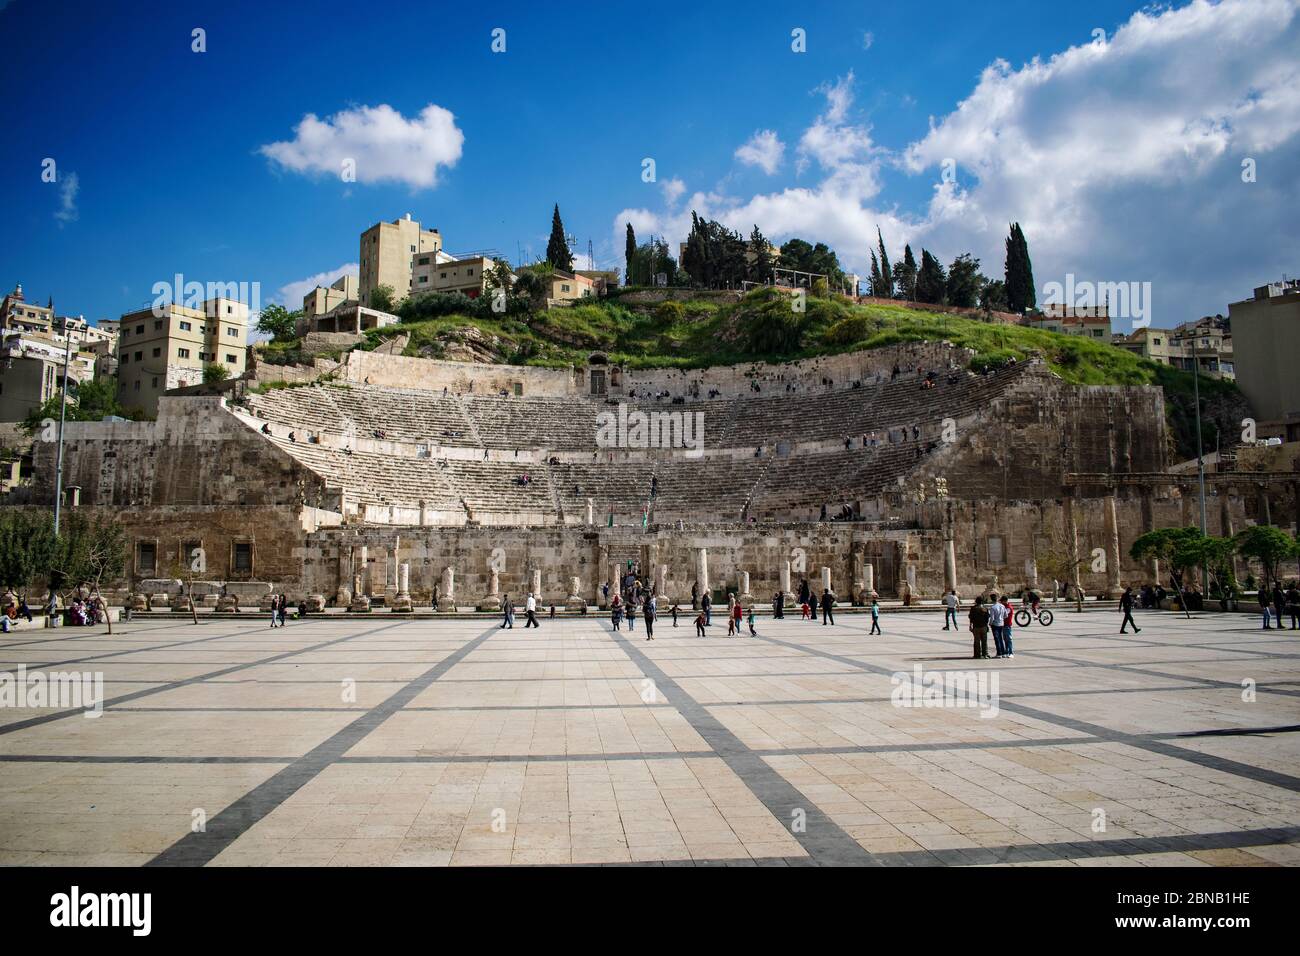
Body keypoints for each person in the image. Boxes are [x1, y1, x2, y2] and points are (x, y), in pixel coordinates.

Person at [987, 593, 1007, 657]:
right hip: (1001, 624)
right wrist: (1001, 619)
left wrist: (990, 623)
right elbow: (1006, 615)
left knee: (997, 639)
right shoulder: (1002, 606)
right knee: (1001, 638)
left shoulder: (993, 607)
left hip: (995, 624)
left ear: (991, 599)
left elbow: (992, 618)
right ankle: (1003, 653)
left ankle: (999, 653)